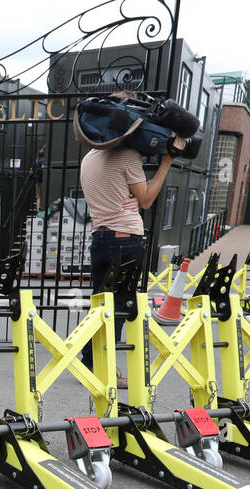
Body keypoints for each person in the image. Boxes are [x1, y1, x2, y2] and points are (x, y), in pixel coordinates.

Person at [78, 119, 186, 383]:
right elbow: (147, 199)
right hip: (126, 240)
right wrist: (167, 162)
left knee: (100, 302)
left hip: (100, 237)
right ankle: (105, 371)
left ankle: (91, 360)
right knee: (119, 307)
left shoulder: (89, 157)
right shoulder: (127, 155)